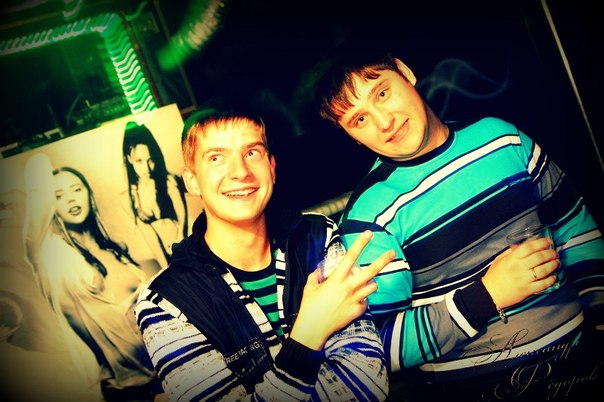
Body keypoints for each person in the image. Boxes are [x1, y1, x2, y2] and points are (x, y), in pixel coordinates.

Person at [315, 49, 604, 401]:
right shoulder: (369, 217)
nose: (384, 122)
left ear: (405, 72)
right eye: (360, 119)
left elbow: (575, 228)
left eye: (383, 93)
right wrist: (485, 296)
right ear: (352, 136)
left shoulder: (502, 139)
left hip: (585, 364)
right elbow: (376, 348)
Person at [134, 103, 395, 401]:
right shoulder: (164, 302)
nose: (240, 172)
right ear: (192, 181)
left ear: (271, 167)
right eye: (217, 158)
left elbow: (366, 386)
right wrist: (307, 335)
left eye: (252, 153)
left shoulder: (316, 236)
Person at [23, 153, 162, 401]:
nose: (70, 199)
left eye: (77, 189)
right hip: (129, 390)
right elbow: (36, 181)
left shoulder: (115, 249)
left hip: (171, 371)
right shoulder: (53, 258)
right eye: (58, 195)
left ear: (88, 193)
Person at [122, 121, 188, 267]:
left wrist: (181, 245)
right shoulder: (132, 196)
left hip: (181, 247)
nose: (146, 168)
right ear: (129, 159)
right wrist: (165, 266)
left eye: (150, 160)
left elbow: (181, 217)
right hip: (159, 255)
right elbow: (145, 234)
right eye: (139, 161)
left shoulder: (167, 181)